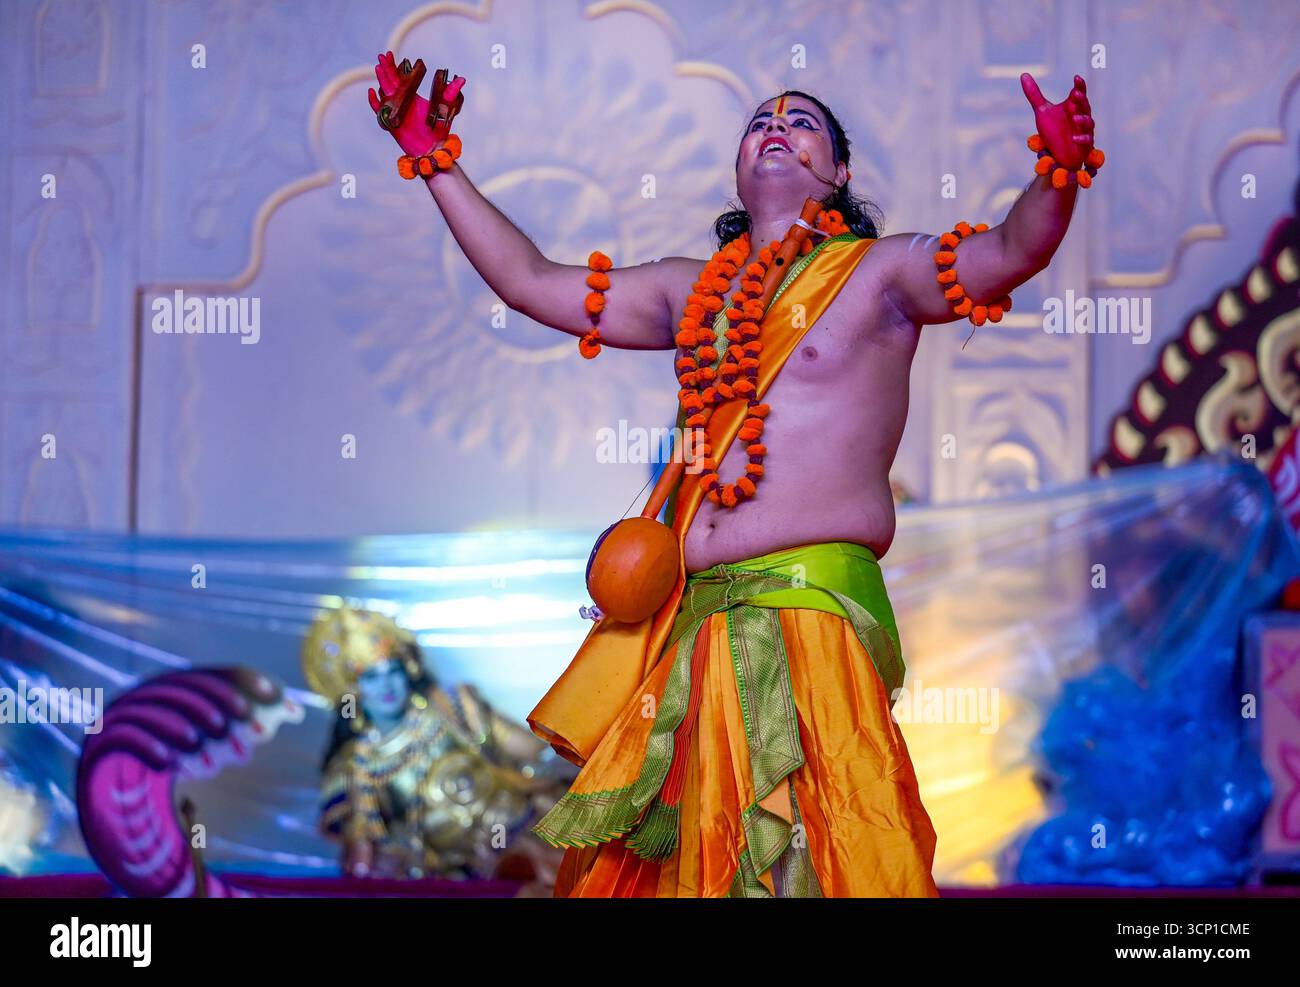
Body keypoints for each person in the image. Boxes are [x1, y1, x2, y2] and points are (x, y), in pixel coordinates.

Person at [367, 54, 1098, 896]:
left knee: (813, 861)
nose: (776, 128)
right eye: (759, 122)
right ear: (739, 169)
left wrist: (1060, 169)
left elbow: (1011, 251)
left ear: (839, 171)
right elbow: (533, 284)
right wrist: (436, 162)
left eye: (801, 122)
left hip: (805, 611)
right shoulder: (691, 292)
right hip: (691, 622)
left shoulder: (881, 274)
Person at [303, 606, 573, 886]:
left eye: (392, 671)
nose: (387, 685)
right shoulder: (356, 765)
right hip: (473, 873)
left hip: (535, 821)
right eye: (371, 677)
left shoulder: (452, 706)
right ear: (353, 689)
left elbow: (533, 747)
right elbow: (364, 854)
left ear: (408, 671)